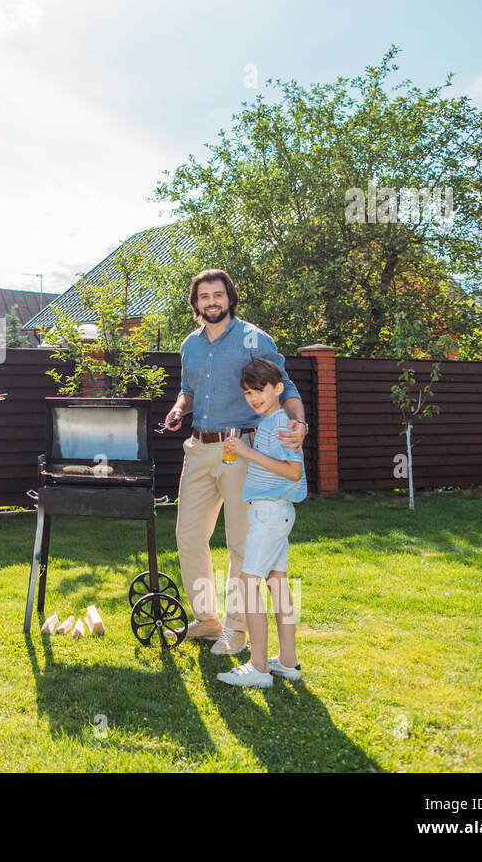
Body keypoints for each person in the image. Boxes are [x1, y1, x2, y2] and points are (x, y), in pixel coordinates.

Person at [160, 269, 308, 656]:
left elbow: (286, 385)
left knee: (240, 543)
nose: (212, 302)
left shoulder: (254, 339)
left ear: (230, 298)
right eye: (204, 296)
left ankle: (237, 629)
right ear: (195, 303)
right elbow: (188, 390)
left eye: (218, 295)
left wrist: (300, 422)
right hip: (198, 447)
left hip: (238, 447)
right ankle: (207, 619)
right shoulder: (189, 345)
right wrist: (178, 408)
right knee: (189, 536)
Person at [217, 358, 307, 687]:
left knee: (247, 583)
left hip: (270, 515)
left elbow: (293, 472)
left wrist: (247, 452)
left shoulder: (279, 422)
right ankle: (287, 661)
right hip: (274, 513)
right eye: (248, 392)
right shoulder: (271, 420)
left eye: (260, 390)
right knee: (278, 585)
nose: (254, 397)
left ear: (278, 389)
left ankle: (258, 667)